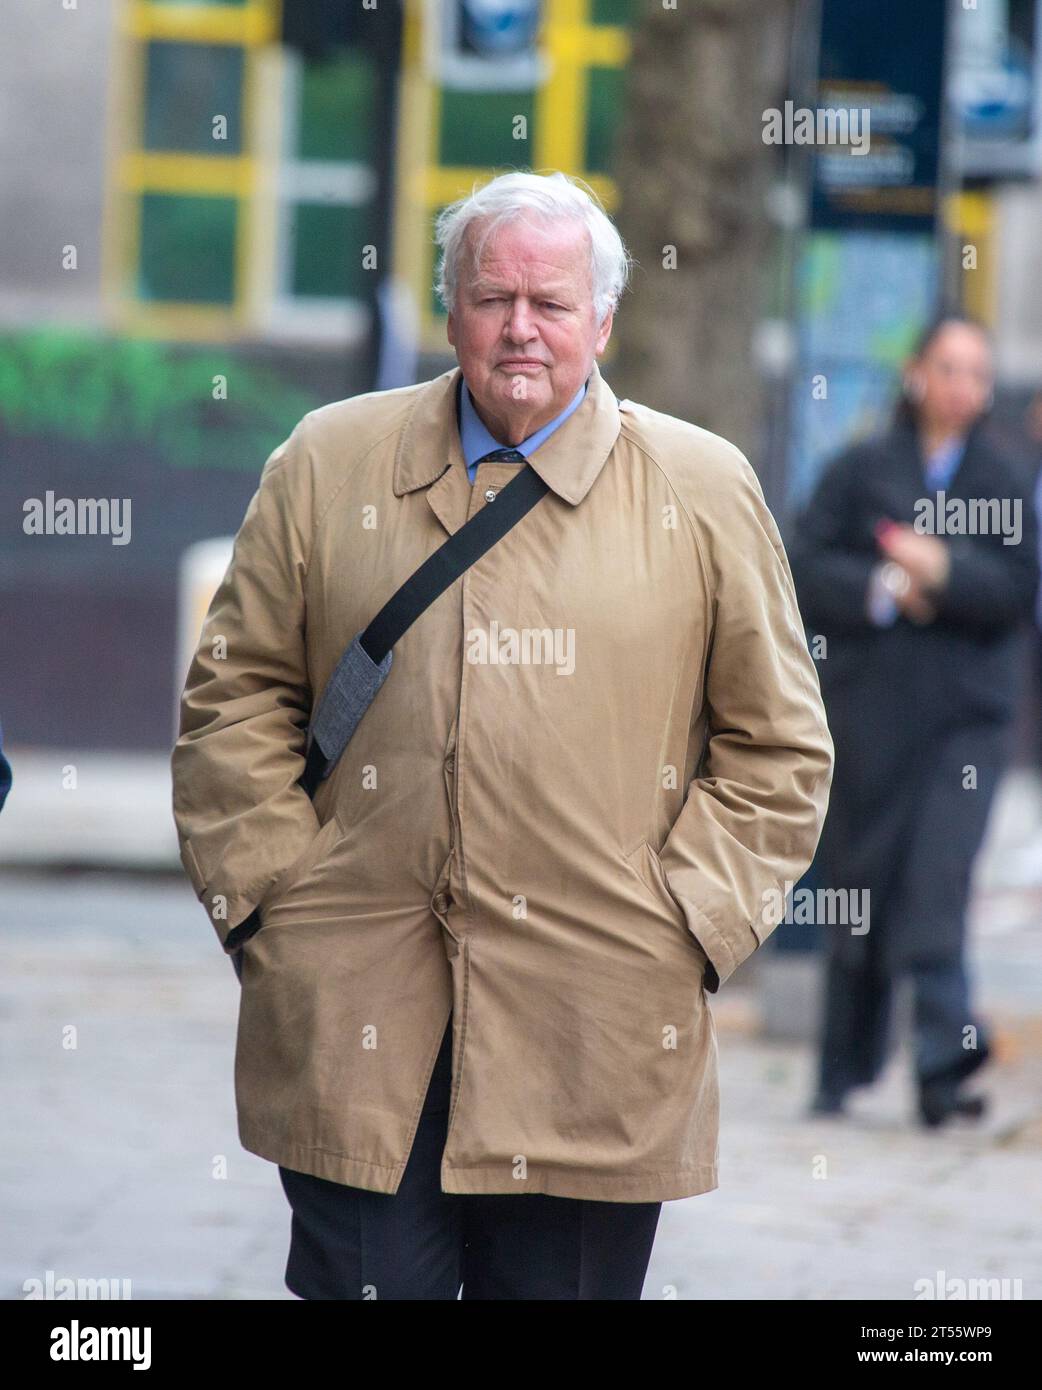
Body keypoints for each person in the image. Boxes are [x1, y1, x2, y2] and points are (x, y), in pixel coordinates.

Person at [170, 170, 833, 1300]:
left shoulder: (702, 488)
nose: (520, 326)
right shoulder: (328, 462)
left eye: (551, 302)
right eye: (493, 297)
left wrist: (682, 926)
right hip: (359, 1012)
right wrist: (277, 905)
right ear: (451, 311)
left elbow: (780, 751)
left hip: (595, 1028)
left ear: (603, 321)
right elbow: (234, 697)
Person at [788, 313, 1039, 1128]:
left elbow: (1016, 588)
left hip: (964, 725)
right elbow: (804, 563)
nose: (963, 385)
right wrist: (881, 587)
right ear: (917, 372)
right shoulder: (862, 468)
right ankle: (845, 1069)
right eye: (949, 366)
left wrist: (944, 570)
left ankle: (942, 1061)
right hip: (872, 717)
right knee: (860, 888)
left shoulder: (1003, 480)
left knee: (936, 878)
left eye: (978, 371)